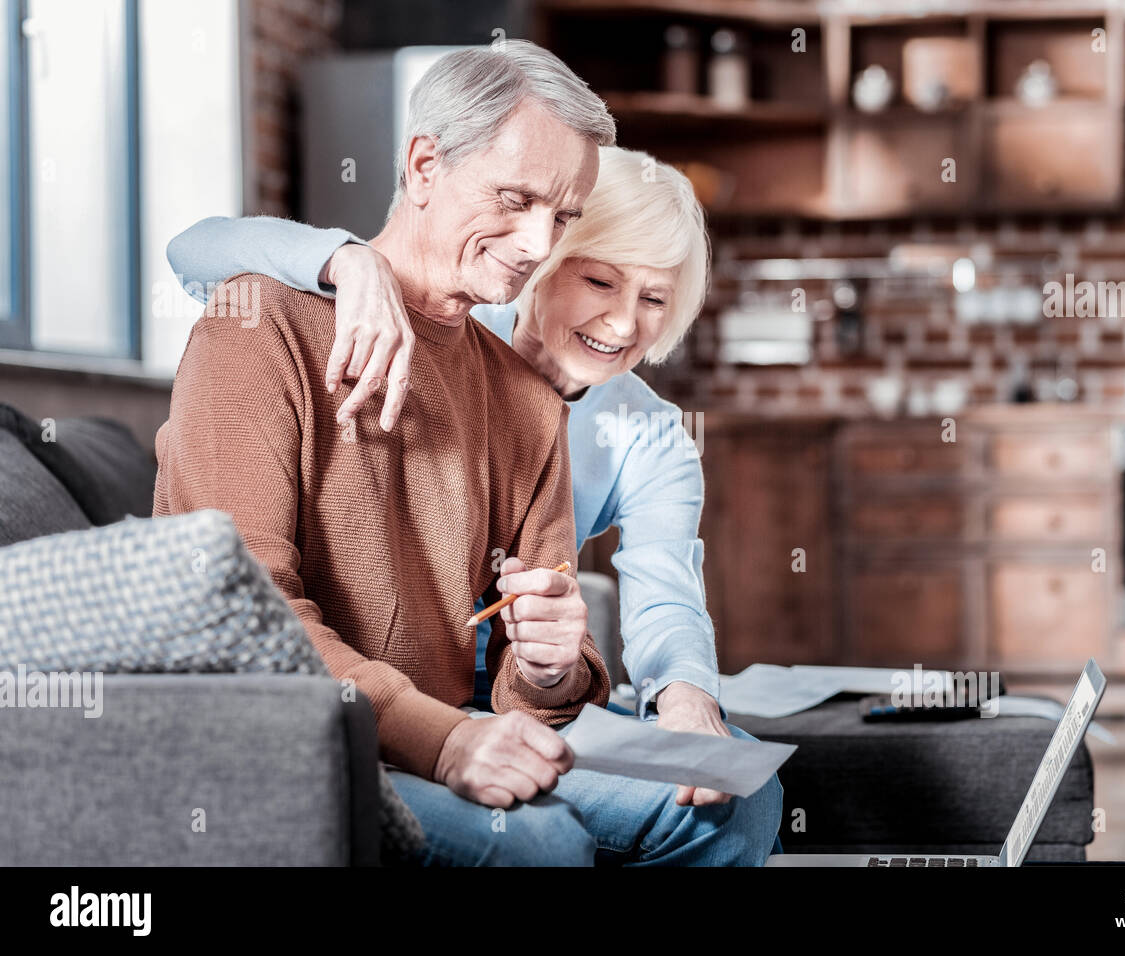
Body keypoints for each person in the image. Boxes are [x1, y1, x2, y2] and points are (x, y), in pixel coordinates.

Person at [161, 41, 782, 865]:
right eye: (517, 199)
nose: (534, 243)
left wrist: (555, 665)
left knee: (727, 806)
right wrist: (447, 739)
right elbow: (242, 617)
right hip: (294, 726)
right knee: (538, 843)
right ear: (423, 166)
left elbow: (548, 686)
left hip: (463, 717)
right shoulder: (259, 322)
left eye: (560, 217)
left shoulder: (527, 399)